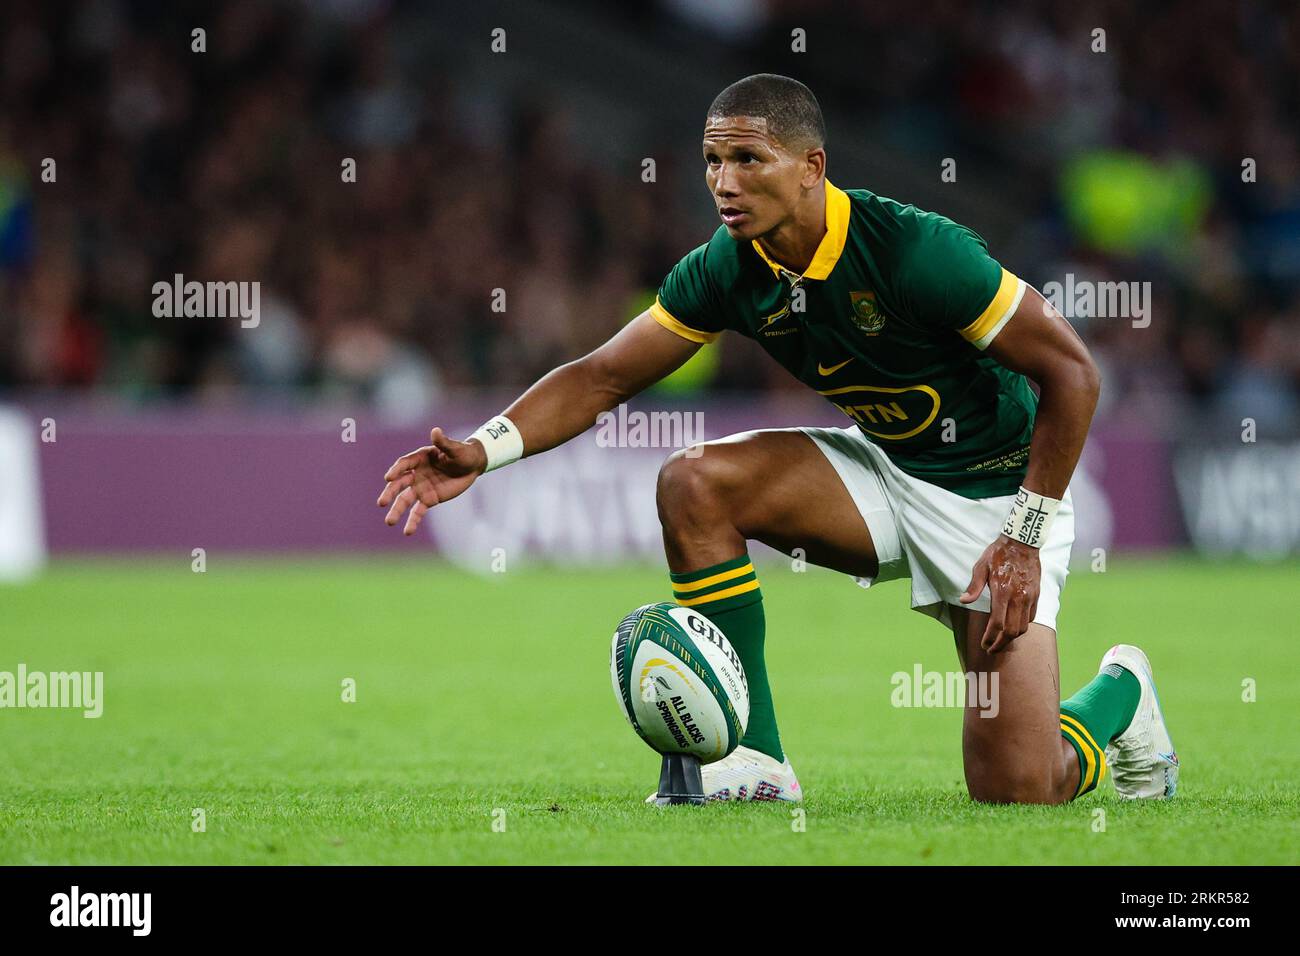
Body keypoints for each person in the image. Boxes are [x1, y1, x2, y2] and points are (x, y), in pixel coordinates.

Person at [377, 74, 1178, 804]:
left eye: (748, 158)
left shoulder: (914, 251)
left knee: (1019, 788)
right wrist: (484, 450)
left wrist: (1024, 538)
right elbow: (601, 378)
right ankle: (754, 765)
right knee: (695, 482)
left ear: (810, 166)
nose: (725, 182)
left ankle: (1122, 696)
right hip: (889, 472)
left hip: (995, 498)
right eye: (712, 160)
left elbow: (1073, 374)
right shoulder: (728, 267)